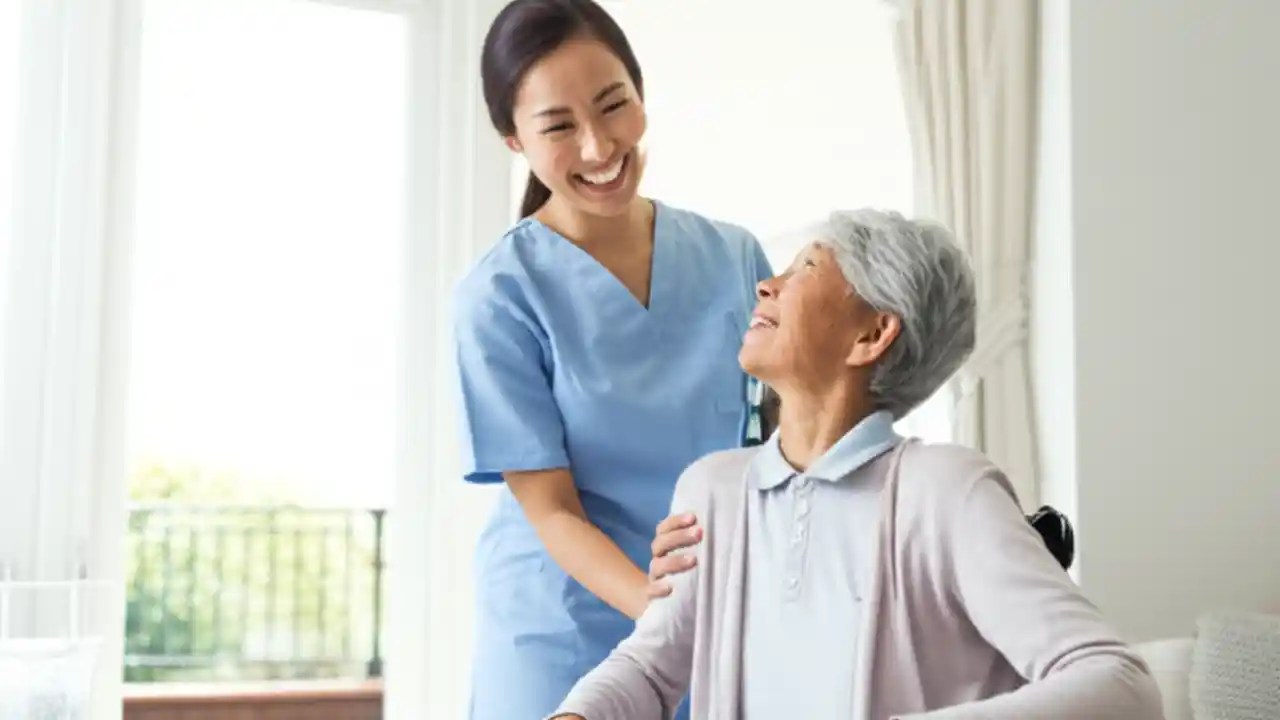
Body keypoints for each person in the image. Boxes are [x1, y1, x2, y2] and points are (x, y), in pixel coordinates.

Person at [551, 210, 1163, 719]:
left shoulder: (945, 491)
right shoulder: (711, 489)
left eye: (805, 270)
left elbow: (1120, 685)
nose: (767, 286)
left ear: (872, 334)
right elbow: (649, 669)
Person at [453, 0, 772, 717]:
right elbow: (554, 512)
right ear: (514, 141)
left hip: (707, 611)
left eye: (613, 106)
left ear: (640, 95)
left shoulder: (733, 258)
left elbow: (784, 440)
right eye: (559, 127)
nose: (598, 148)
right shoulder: (501, 295)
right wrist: (673, 623)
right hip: (563, 629)